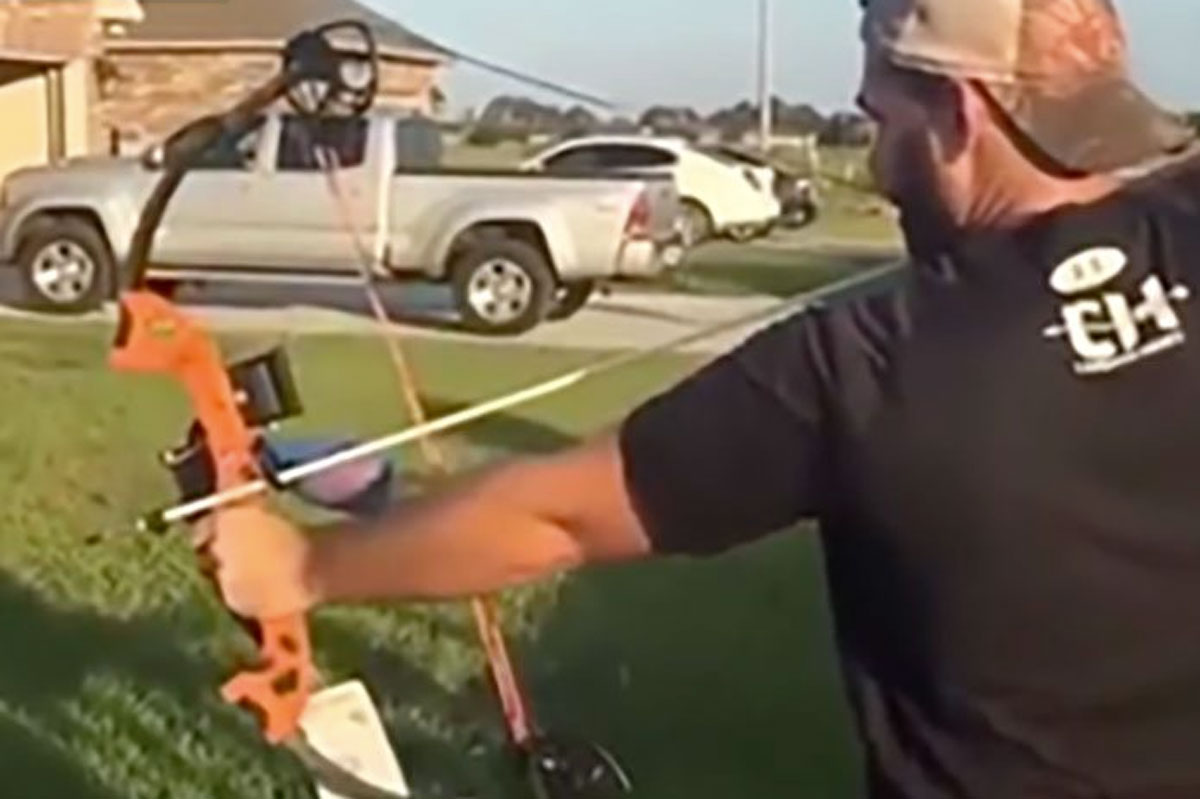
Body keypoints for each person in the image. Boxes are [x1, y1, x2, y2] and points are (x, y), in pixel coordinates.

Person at [197, 0, 1200, 795]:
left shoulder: (861, 363)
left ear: (960, 115)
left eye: (879, 117)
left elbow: (554, 517)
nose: (872, 158)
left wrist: (301, 565)